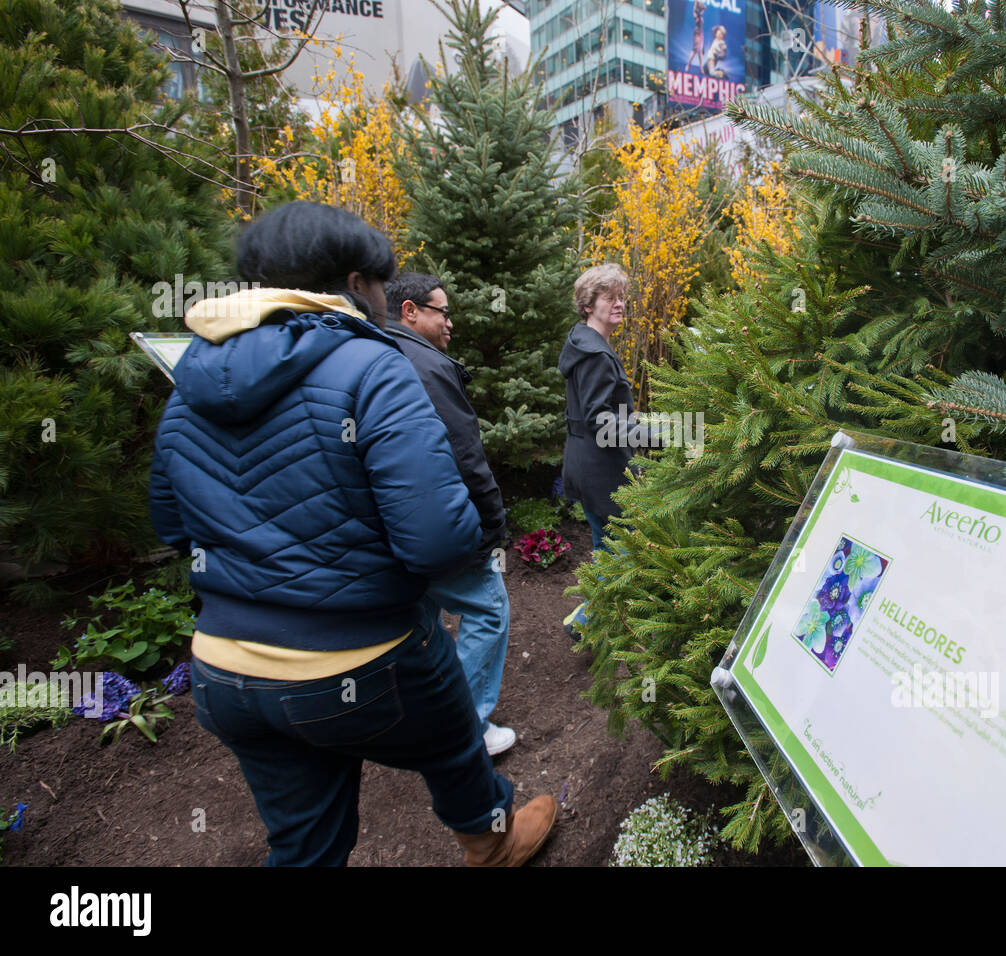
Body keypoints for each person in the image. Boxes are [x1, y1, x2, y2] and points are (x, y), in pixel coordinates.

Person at [148, 201, 555, 866]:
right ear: (356, 281)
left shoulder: (188, 382)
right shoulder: (372, 367)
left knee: (304, 847)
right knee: (452, 738)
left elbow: (171, 525)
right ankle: (488, 840)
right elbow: (437, 540)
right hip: (364, 662)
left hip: (225, 671)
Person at [384, 272, 515, 757]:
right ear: (410, 311)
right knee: (488, 610)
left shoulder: (378, 354)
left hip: (395, 529)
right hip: (440, 524)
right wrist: (493, 521)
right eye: (442, 311)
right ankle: (467, 729)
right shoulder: (428, 367)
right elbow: (465, 453)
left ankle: (423, 714)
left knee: (422, 618)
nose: (450, 322)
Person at [559, 263, 659, 637]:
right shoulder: (596, 355)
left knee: (608, 545)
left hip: (585, 463)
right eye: (609, 298)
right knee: (625, 547)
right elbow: (601, 421)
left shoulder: (583, 343)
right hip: (601, 471)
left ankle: (595, 621)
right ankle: (586, 621)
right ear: (588, 305)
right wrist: (659, 435)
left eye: (621, 298)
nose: (619, 304)